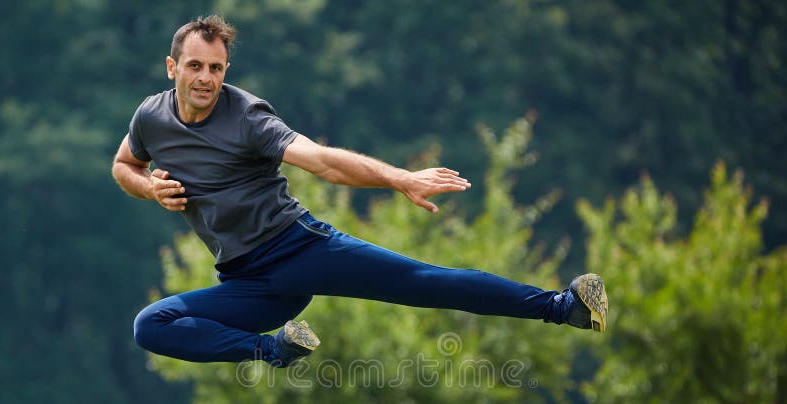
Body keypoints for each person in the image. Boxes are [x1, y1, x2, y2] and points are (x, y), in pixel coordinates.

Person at [112, 15, 608, 368]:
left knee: (424, 282)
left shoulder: (246, 117)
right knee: (151, 325)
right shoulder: (151, 117)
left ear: (226, 72)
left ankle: (564, 307)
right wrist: (149, 191)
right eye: (195, 66)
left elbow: (323, 162)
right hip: (246, 282)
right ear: (172, 67)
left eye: (216, 69)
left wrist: (400, 178)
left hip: (296, 249)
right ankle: (275, 351)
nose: (206, 79)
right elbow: (124, 165)